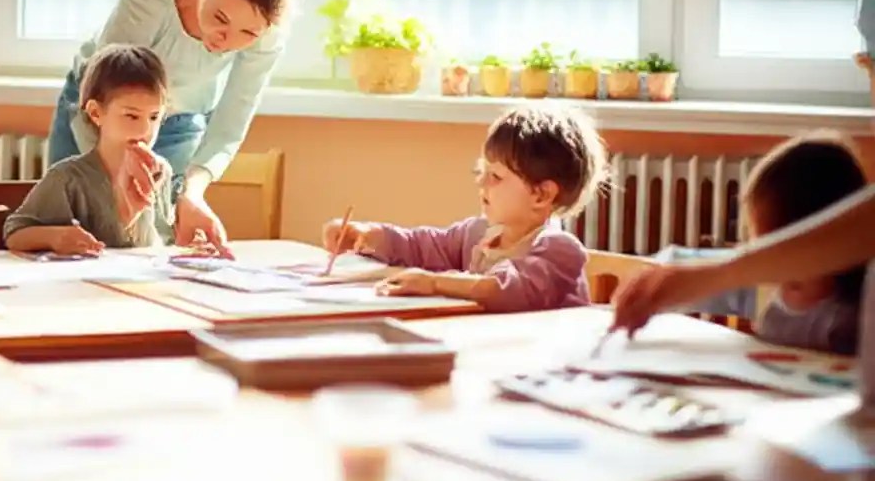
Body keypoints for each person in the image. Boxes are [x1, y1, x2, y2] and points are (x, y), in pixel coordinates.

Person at [47, 0, 303, 257]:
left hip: (179, 120)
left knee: (153, 243)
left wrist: (192, 195)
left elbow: (231, 121)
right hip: (98, 109)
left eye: (248, 33)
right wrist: (116, 173)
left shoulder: (268, 32)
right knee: (72, 229)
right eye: (220, 18)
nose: (226, 39)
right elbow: (104, 85)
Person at [323, 106, 608, 312]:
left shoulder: (559, 249)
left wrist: (435, 283)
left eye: (495, 176)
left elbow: (507, 289)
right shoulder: (478, 233)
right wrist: (368, 236)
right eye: (481, 171)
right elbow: (423, 245)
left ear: (541, 194)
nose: (480, 182)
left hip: (546, 364)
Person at [626, 132, 868, 354]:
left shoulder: (851, 321)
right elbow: (686, 270)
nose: (776, 284)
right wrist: (652, 286)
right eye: (764, 262)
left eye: (794, 280)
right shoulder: (762, 289)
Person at [6, 44, 173, 253]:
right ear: (95, 113)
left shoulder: (161, 172)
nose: (145, 130)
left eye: (154, 117)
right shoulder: (67, 179)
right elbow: (15, 234)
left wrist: (191, 244)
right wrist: (54, 237)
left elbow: (164, 240)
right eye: (131, 116)